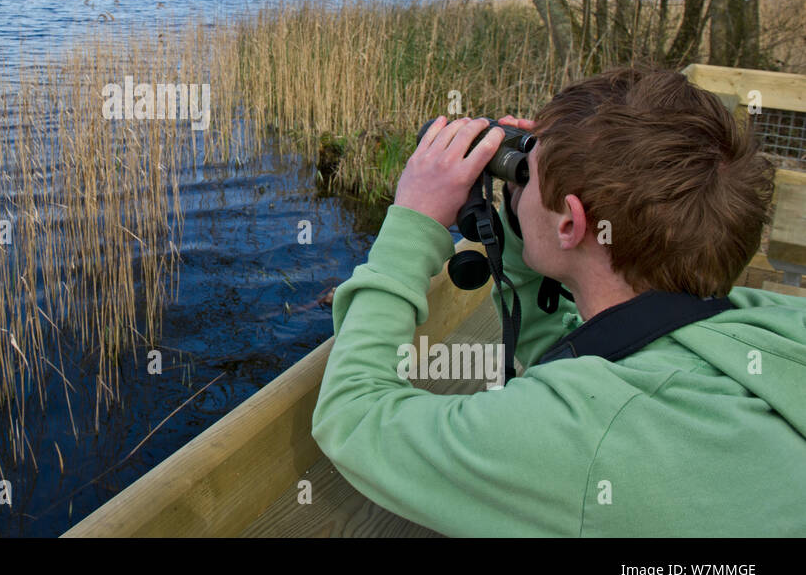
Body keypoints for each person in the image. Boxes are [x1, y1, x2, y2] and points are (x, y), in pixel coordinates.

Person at [310, 65, 806, 536]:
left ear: (570, 223)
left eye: (528, 176)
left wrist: (412, 220)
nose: (519, 185)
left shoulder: (586, 439)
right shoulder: (772, 323)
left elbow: (352, 417)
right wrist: (523, 219)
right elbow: (593, 353)